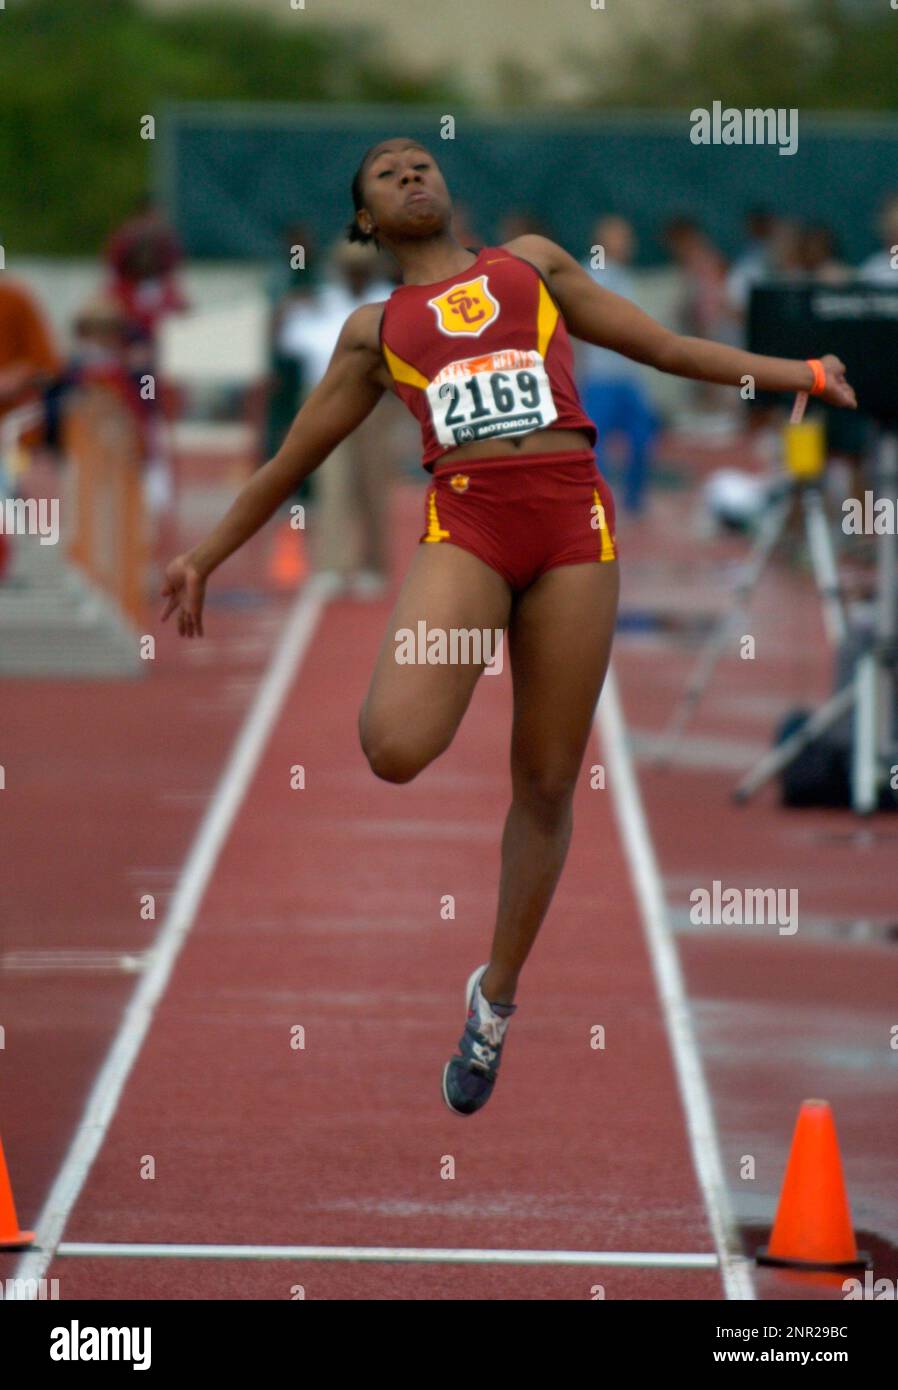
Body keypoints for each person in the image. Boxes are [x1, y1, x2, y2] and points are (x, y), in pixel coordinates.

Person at [161, 138, 857, 1117]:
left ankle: (493, 999)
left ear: (447, 187)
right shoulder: (374, 329)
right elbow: (287, 460)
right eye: (385, 173)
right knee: (394, 746)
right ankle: (445, 653)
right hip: (473, 521)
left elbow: (660, 345)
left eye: (420, 163)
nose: (410, 173)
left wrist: (796, 372)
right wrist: (204, 555)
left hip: (573, 517)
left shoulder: (529, 263)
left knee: (543, 777)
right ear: (364, 219)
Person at [578, 215, 658, 514]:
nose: (627, 244)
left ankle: (634, 502)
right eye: (619, 237)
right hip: (601, 379)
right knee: (595, 448)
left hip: (628, 378)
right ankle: (596, 503)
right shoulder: (590, 273)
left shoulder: (624, 277)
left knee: (643, 437)